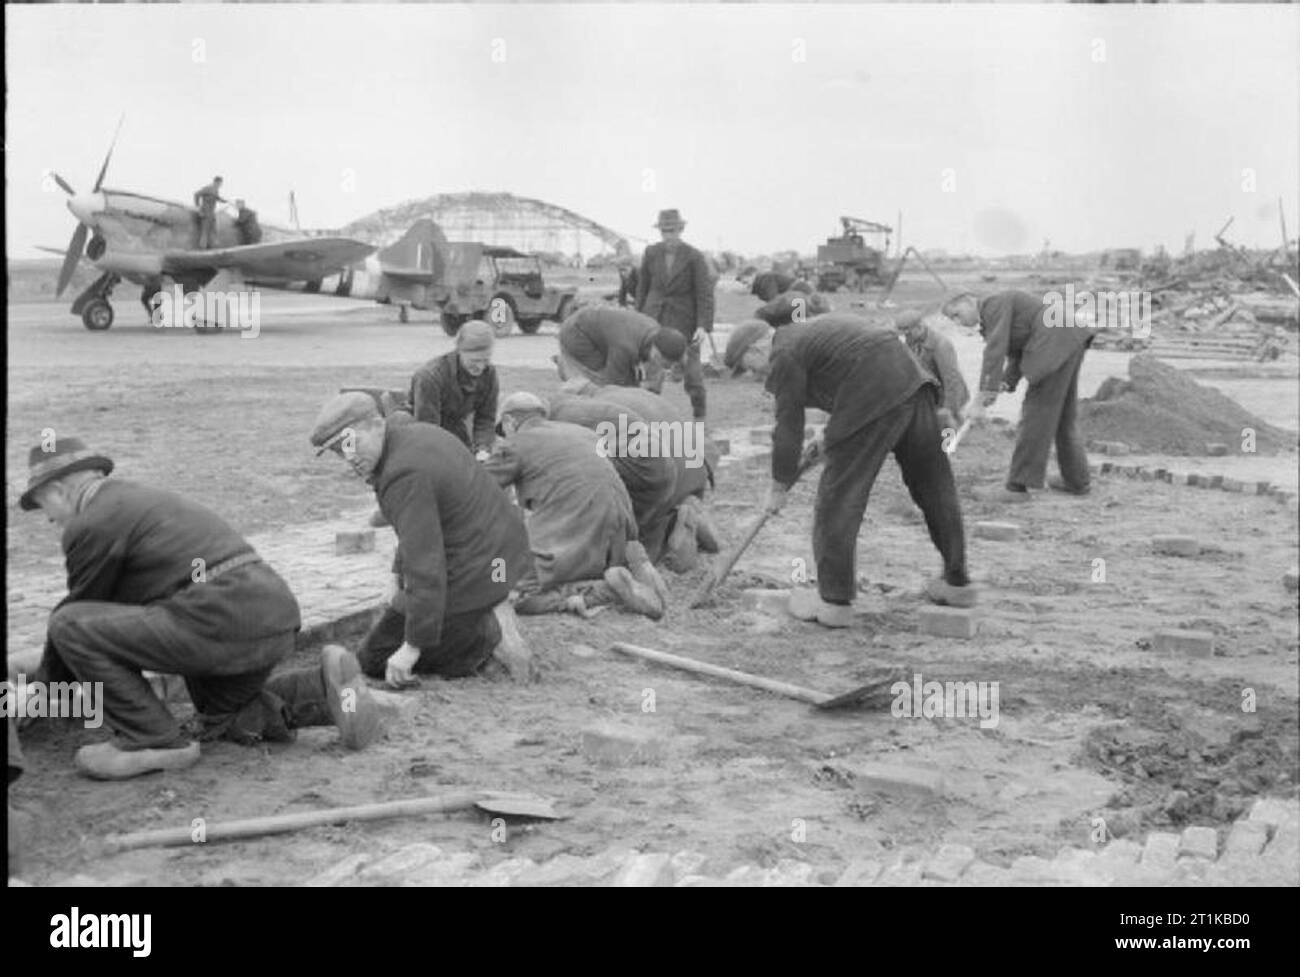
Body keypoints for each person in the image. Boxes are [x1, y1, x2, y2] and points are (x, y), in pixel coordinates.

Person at [19, 437, 382, 780]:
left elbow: (77, 616)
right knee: (222, 717)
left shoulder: (89, 523)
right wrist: (47, 665)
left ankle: (151, 738)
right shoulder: (137, 500)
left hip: (216, 620)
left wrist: (41, 690)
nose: (49, 519)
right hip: (267, 617)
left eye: (43, 506)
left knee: (68, 624)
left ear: (56, 489)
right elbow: (113, 619)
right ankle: (321, 688)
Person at [764, 315, 975, 628]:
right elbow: (846, 373)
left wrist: (779, 485)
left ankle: (833, 602)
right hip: (914, 382)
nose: (762, 375)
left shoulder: (783, 353)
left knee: (839, 496)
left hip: (873, 391)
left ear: (756, 347)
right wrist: (831, 434)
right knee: (934, 487)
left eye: (752, 366)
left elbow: (788, 425)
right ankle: (957, 583)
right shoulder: (815, 335)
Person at [310, 392, 534, 686]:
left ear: (377, 424)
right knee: (401, 609)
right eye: (341, 451)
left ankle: (482, 639)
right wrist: (395, 579)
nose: (349, 458)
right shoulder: (418, 436)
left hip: (477, 571)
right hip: (503, 559)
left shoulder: (403, 474)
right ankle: (480, 614)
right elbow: (418, 527)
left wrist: (411, 647)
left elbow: (425, 563)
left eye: (351, 444)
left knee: (373, 659)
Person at [485, 393, 668, 618]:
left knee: (503, 585)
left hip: (576, 524)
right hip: (621, 529)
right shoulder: (583, 433)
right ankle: (618, 574)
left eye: (503, 431)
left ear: (509, 421)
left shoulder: (516, 443)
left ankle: (589, 595)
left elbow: (478, 488)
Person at [942, 291, 1096, 499]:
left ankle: (1017, 486)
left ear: (969, 302)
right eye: (953, 319)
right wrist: (1005, 381)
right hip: (1068, 341)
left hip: (1053, 346)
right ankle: (1077, 481)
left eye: (957, 314)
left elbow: (995, 351)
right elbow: (1017, 350)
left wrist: (980, 398)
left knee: (1035, 414)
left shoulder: (993, 305)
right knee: (1063, 417)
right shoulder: (998, 310)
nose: (957, 322)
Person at [636, 209, 716, 420]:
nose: (668, 236)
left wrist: (702, 325)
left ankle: (700, 419)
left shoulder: (694, 256)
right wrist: (638, 318)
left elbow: (704, 293)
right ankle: (648, 420)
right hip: (654, 319)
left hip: (685, 322)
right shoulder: (651, 253)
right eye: (664, 231)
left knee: (694, 377)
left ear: (681, 230)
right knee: (652, 374)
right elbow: (642, 287)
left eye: (672, 231)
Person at [406, 319, 499, 458]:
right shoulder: (431, 377)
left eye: (485, 360)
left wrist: (483, 449)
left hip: (453, 425)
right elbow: (428, 430)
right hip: (416, 428)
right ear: (459, 351)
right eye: (474, 361)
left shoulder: (489, 374)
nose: (480, 367)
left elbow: (486, 419)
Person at [555, 304, 686, 390]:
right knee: (600, 382)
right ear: (656, 351)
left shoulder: (658, 334)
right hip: (577, 333)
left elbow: (657, 378)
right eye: (662, 362)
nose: (663, 367)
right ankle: (566, 367)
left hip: (605, 331)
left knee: (631, 382)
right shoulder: (625, 347)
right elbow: (614, 384)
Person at [893, 310, 970, 430]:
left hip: (950, 395)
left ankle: (952, 442)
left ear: (920, 327)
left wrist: (948, 408)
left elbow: (951, 379)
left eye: (908, 334)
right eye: (904, 334)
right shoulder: (912, 341)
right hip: (933, 394)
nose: (906, 337)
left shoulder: (941, 345)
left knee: (948, 428)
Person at [193, 176, 225, 249]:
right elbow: (196, 194)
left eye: (221, 184)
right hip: (206, 213)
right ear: (216, 182)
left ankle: (215, 247)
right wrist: (198, 207)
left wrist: (223, 200)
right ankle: (202, 248)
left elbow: (217, 197)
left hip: (212, 213)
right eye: (220, 183)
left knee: (214, 230)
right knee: (205, 231)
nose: (220, 185)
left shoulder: (216, 190)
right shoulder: (207, 188)